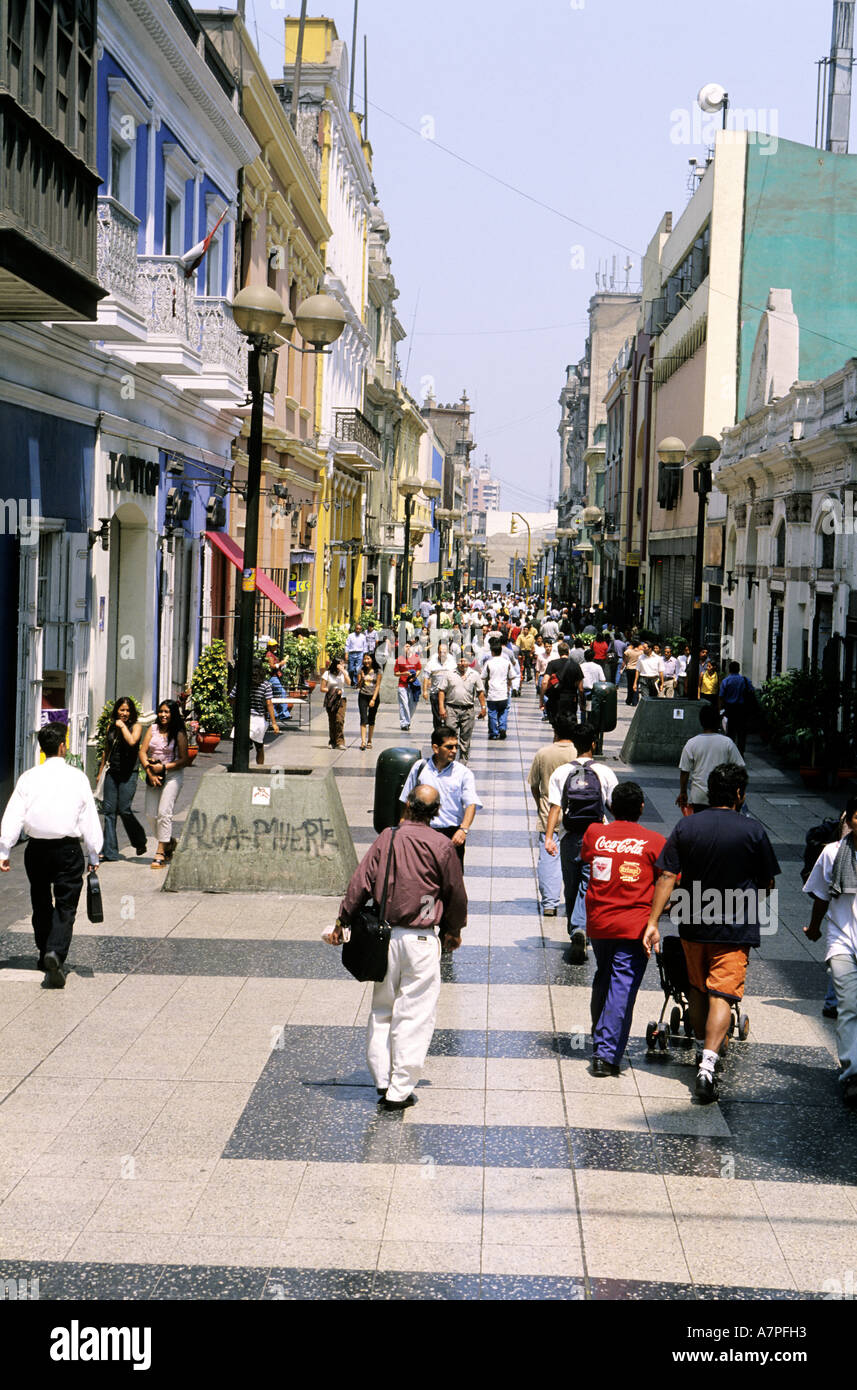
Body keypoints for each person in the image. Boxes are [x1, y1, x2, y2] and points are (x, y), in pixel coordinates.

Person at [645, 765, 780, 1103]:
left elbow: (666, 875)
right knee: (722, 993)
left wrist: (652, 921)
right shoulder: (753, 830)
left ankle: (701, 1051)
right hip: (735, 928)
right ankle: (707, 1065)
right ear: (739, 794)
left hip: (692, 923)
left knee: (697, 990)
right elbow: (767, 882)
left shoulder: (687, 826)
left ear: (708, 792)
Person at [331, 785, 467, 1111]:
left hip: (385, 938)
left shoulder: (387, 838)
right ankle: (399, 1088)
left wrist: (343, 919)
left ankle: (381, 1077)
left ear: (407, 805)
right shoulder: (442, 846)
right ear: (436, 812)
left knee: (382, 1008)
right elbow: (455, 894)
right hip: (421, 940)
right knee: (415, 1014)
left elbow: (360, 882)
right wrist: (453, 930)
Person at [0, 723, 102, 987]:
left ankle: (43, 951)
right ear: (62, 746)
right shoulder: (77, 777)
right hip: (67, 848)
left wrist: (5, 849)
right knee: (66, 904)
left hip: (36, 849)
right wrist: (94, 854)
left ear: (42, 749)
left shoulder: (28, 777)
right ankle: (54, 952)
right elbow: (88, 817)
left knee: (41, 901)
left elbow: (14, 814)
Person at [581, 781, 666, 1075]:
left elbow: (586, 859)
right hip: (634, 926)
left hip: (599, 922)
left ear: (611, 807)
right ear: (642, 808)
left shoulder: (595, 833)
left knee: (604, 976)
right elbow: (670, 879)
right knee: (622, 984)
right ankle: (605, 1054)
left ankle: (599, 1037)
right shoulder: (655, 841)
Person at [544, 722, 618, 962]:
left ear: (574, 745)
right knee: (589, 883)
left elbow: (555, 807)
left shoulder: (561, 772)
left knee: (571, 883)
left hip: (569, 836)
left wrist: (548, 837)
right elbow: (614, 806)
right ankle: (581, 928)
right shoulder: (604, 772)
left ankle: (575, 928)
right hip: (598, 837)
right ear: (594, 744)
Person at [803, 795, 857, 1108]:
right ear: (848, 818)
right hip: (842, 942)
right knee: (849, 1007)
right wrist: (814, 928)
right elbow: (821, 898)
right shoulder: (833, 853)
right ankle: (851, 1073)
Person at [399, 725, 482, 862]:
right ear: (436, 748)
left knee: (451, 880)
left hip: (451, 835)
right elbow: (407, 800)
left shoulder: (463, 773)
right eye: (449, 747)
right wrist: (402, 828)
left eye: (456, 746)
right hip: (422, 832)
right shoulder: (420, 767)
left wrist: (463, 830)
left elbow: (471, 804)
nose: (454, 751)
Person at [528, 716, 579, 917]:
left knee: (549, 858)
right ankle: (575, 902)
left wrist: (541, 803)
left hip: (549, 813)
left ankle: (550, 903)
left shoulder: (543, 753)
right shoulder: (578, 753)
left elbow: (534, 784)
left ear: (555, 731)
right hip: (576, 815)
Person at [139, 699, 190, 868]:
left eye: (167, 712)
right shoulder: (152, 729)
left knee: (164, 813)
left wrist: (164, 767)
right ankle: (168, 842)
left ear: (173, 714)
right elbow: (142, 752)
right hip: (153, 774)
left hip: (172, 775)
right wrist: (150, 772)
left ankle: (160, 851)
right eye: (161, 711)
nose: (163, 715)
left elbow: (184, 760)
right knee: (150, 814)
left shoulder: (180, 733)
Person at [96, 697, 147, 861]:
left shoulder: (136, 726)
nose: (124, 713)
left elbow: (132, 742)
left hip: (128, 774)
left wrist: (122, 726)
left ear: (131, 712)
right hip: (112, 772)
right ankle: (109, 851)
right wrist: (101, 770)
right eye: (121, 710)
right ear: (117, 710)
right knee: (109, 811)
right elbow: (106, 749)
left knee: (124, 809)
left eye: (127, 710)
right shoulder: (111, 726)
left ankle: (139, 840)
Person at [677, 703, 745, 813]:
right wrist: (739, 793)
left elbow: (684, 771)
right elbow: (740, 769)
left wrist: (683, 792)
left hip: (699, 796)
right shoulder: (727, 743)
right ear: (718, 721)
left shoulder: (691, 743)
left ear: (701, 721)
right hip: (722, 795)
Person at [436, 649, 487, 763]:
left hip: (468, 710)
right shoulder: (449, 674)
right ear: (456, 662)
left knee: (465, 738)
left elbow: (480, 692)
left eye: (465, 661)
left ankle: (463, 762)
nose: (462, 663)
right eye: (460, 661)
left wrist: (483, 708)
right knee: (450, 735)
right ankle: (449, 760)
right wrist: (441, 707)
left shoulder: (474, 675)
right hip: (451, 709)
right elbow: (441, 691)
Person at [230, 660, 281, 767]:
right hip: (258, 719)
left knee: (240, 745)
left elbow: (232, 698)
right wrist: (274, 723)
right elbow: (269, 704)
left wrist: (235, 712)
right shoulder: (266, 685)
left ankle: (240, 766)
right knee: (259, 746)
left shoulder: (241, 683)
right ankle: (260, 769)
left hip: (243, 718)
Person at [483, 636, 515, 740]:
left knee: (492, 713)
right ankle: (502, 727)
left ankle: (494, 732)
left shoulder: (489, 663)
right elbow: (512, 676)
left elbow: (483, 676)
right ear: (501, 651)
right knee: (503, 711)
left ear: (492, 652)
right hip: (503, 692)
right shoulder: (507, 662)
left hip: (492, 693)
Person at [719, 661, 754, 754]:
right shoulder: (745, 680)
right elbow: (751, 692)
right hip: (742, 709)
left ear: (729, 669)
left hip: (730, 709)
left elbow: (721, 696)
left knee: (730, 732)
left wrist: (721, 710)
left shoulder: (726, 681)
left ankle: (731, 752)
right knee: (742, 732)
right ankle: (740, 752)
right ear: (739, 669)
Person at [423, 641, 456, 728]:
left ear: (448, 652)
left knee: (448, 717)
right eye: (441, 651)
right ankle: (438, 735)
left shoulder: (452, 662)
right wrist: (425, 691)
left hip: (448, 694)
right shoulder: (431, 663)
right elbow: (426, 677)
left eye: (445, 652)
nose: (443, 654)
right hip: (435, 693)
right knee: (437, 717)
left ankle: (446, 736)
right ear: (438, 652)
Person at [321, 655, 350, 749]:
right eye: (341, 663)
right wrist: (333, 690)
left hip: (341, 698)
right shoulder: (327, 673)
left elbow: (349, 683)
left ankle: (340, 742)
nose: (343, 665)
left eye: (343, 663)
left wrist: (344, 672)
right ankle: (332, 741)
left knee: (339, 720)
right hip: (331, 699)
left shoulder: (343, 673)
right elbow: (322, 688)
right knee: (332, 720)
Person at [394, 641, 422, 731]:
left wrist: (414, 677)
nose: (408, 648)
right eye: (406, 646)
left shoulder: (415, 658)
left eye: (409, 646)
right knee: (404, 704)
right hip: (402, 684)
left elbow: (419, 669)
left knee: (413, 704)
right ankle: (404, 723)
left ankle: (407, 720)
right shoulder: (400, 659)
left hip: (413, 684)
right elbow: (396, 673)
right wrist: (403, 673)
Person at [357, 651, 381, 752]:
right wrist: (362, 678)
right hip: (363, 696)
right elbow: (358, 686)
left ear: (372, 659)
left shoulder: (378, 671)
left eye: (368, 658)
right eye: (365, 659)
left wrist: (373, 699)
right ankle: (363, 741)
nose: (366, 661)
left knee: (371, 719)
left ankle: (369, 740)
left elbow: (378, 686)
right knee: (363, 719)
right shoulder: (361, 670)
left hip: (373, 696)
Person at [621, 639, 640, 706]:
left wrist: (621, 669)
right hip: (637, 669)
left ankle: (629, 700)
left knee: (629, 685)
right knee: (636, 684)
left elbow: (624, 661)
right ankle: (635, 701)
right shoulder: (641, 652)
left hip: (629, 669)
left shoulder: (628, 651)